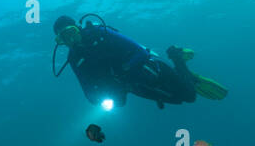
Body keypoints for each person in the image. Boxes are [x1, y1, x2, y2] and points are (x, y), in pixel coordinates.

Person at [52, 14, 227, 109]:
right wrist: (102, 97)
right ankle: (183, 78)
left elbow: (140, 51)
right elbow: (87, 90)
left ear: (78, 27)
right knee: (179, 100)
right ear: (60, 41)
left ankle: (177, 58)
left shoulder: (101, 33)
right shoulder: (74, 59)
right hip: (133, 86)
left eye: (71, 32)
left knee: (190, 96)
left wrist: (126, 69)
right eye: (64, 38)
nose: (71, 39)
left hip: (150, 69)